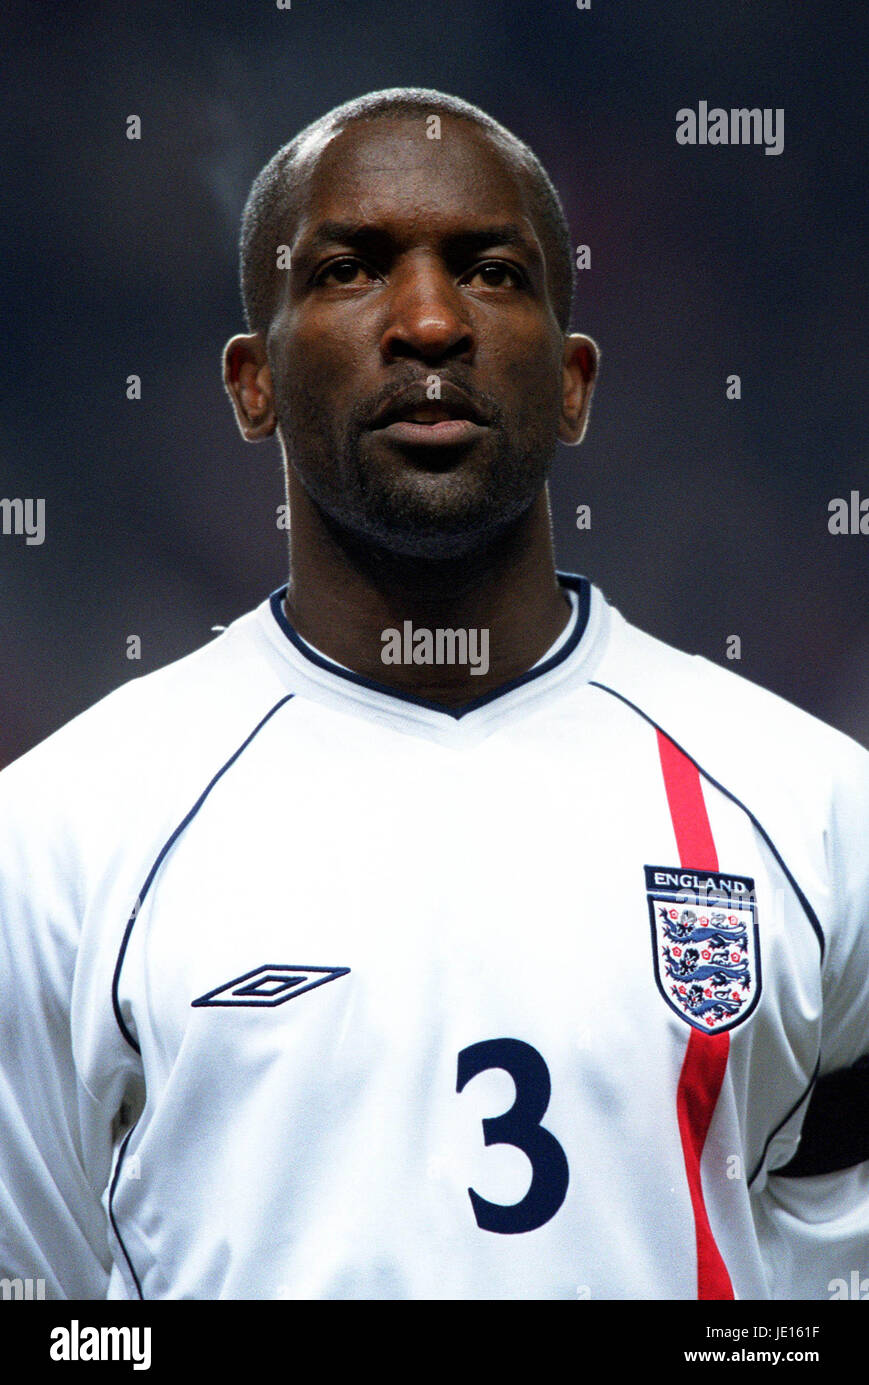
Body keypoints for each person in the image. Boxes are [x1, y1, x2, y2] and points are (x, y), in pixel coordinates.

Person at [1, 88, 867, 1301]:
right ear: (251, 383)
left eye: (492, 272)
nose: (426, 322)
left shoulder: (814, 809)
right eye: (350, 269)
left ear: (572, 382)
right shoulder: (58, 839)